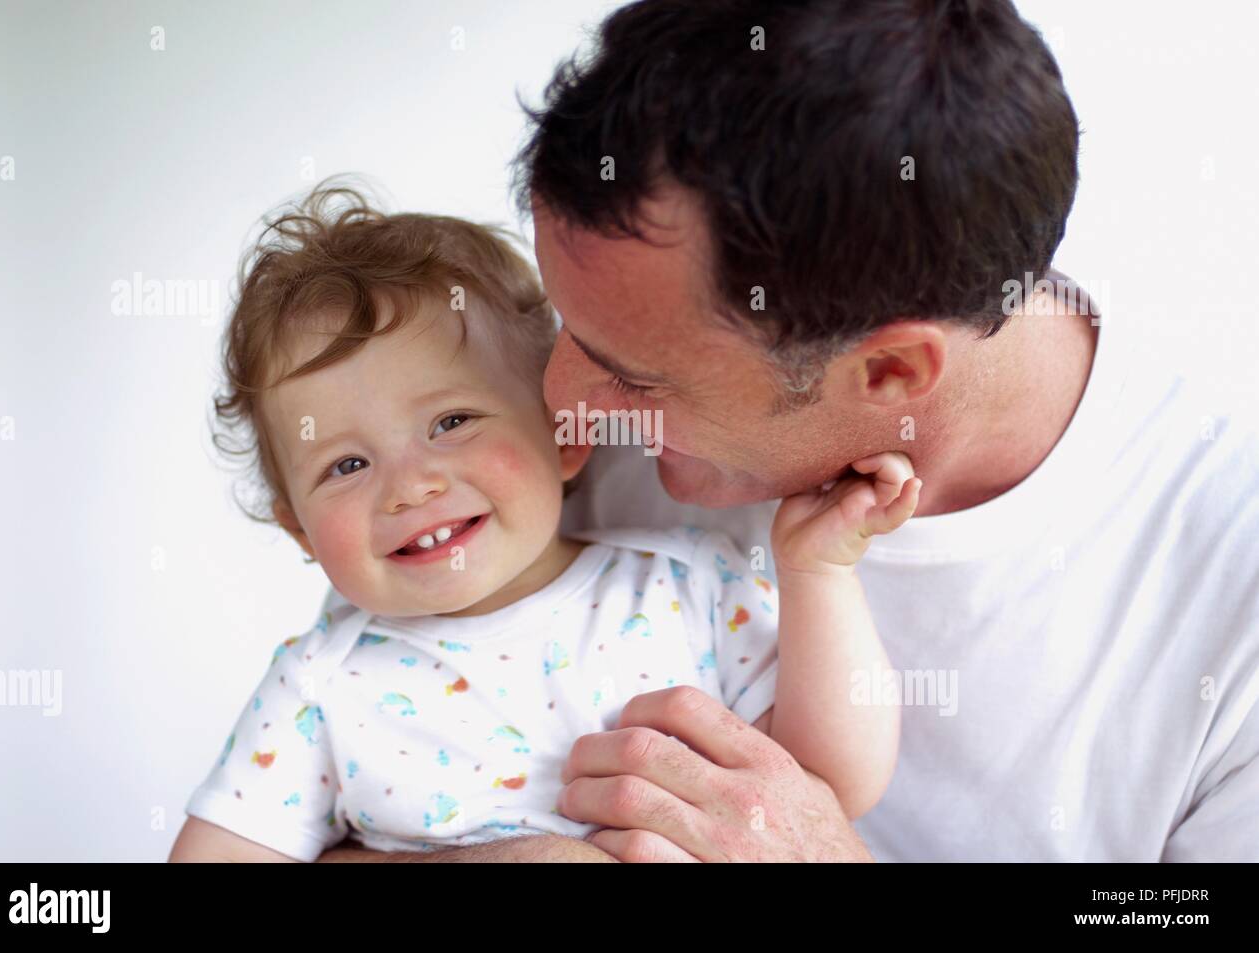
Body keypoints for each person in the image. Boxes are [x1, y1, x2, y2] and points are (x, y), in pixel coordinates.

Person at [410, 0, 1253, 861]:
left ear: (891, 372)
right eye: (567, 327)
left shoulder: (1232, 595)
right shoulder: (548, 441)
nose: (558, 403)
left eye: (633, 374)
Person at [167, 181, 920, 862]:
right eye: (346, 466)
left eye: (452, 420)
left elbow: (829, 784)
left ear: (565, 433)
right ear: (300, 531)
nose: (410, 485)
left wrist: (817, 573)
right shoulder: (318, 684)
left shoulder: (688, 582)